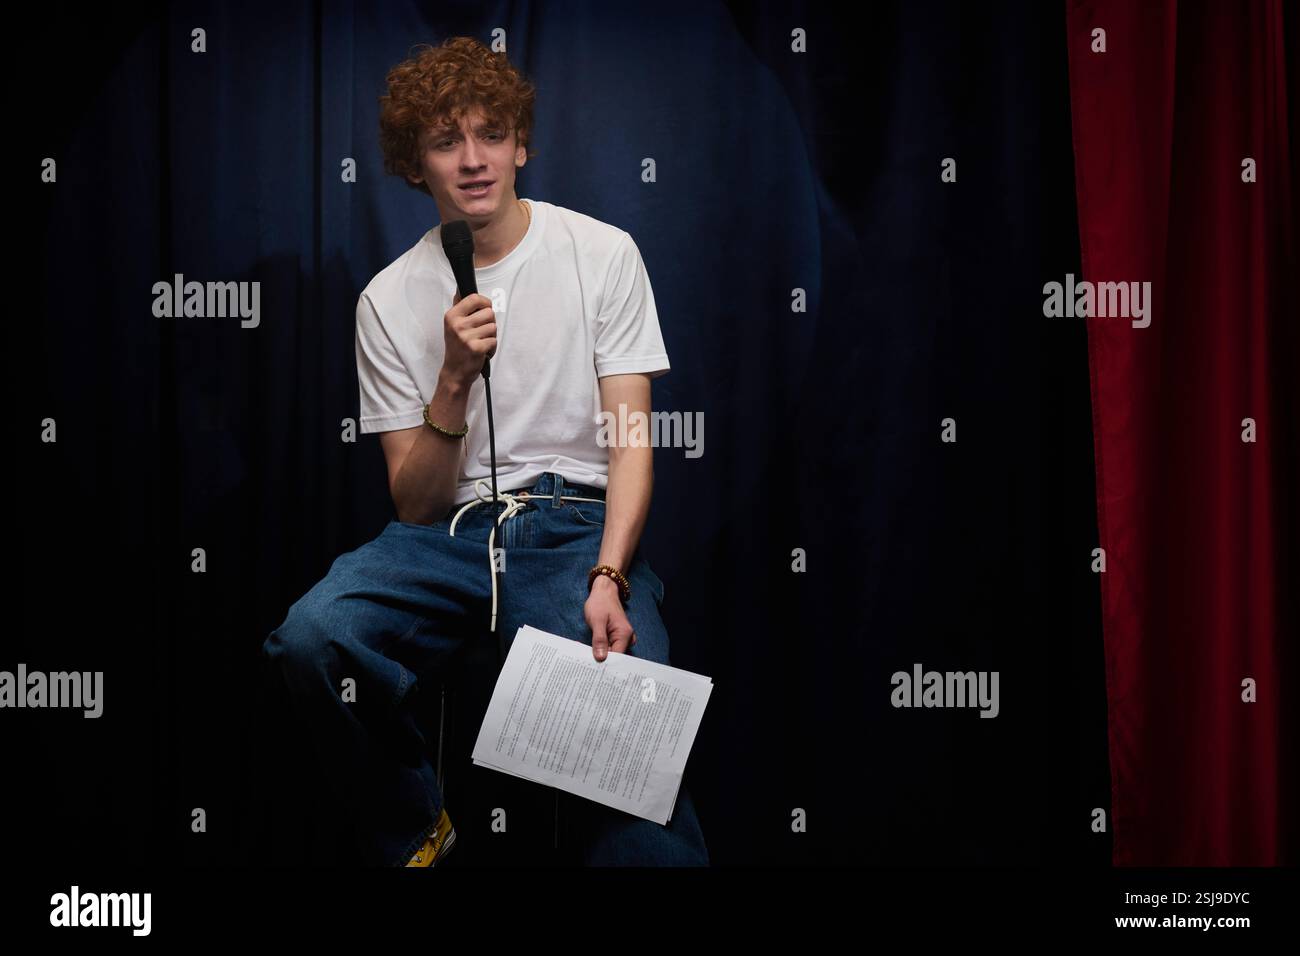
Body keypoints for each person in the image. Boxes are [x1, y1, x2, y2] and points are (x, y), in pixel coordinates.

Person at [261, 36, 709, 867]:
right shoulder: (386, 300)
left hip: (576, 531)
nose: (473, 160)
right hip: (449, 540)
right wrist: (455, 379)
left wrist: (609, 573)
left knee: (641, 813)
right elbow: (416, 503)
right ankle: (417, 830)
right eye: (445, 141)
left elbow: (633, 445)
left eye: (490, 134)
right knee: (313, 636)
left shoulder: (602, 253)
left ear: (521, 145)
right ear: (413, 163)